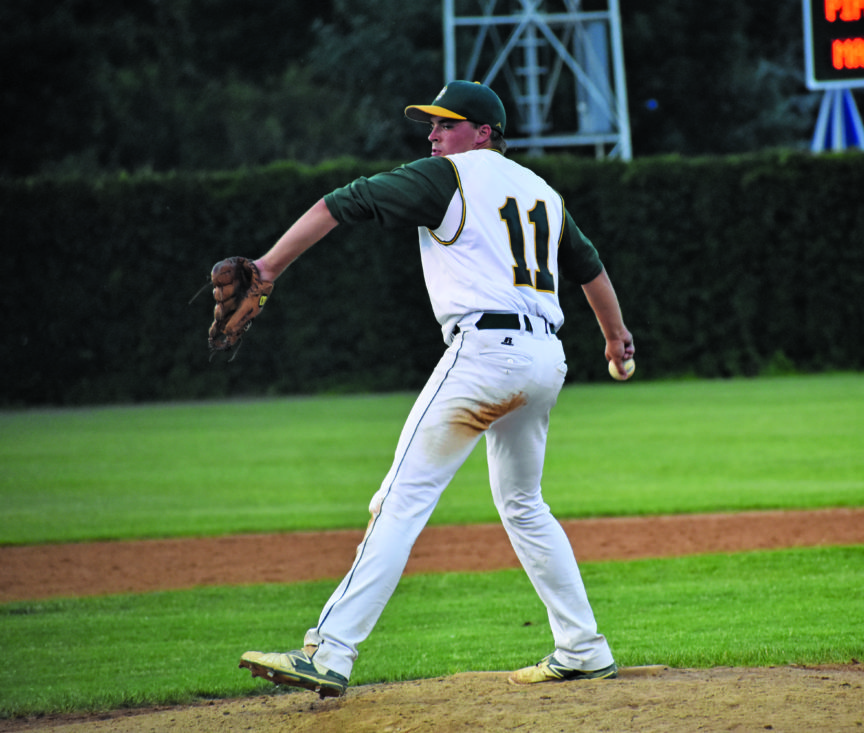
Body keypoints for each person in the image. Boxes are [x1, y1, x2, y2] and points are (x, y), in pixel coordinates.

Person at [237, 81, 635, 697]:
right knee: (524, 504)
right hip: (543, 360)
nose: (431, 136)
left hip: (484, 356)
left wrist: (266, 267)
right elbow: (589, 267)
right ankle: (583, 648)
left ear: (482, 133)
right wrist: (615, 339)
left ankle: (331, 652)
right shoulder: (542, 192)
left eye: (445, 125)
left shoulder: (447, 176)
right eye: (430, 126)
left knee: (399, 500)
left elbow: (340, 202)